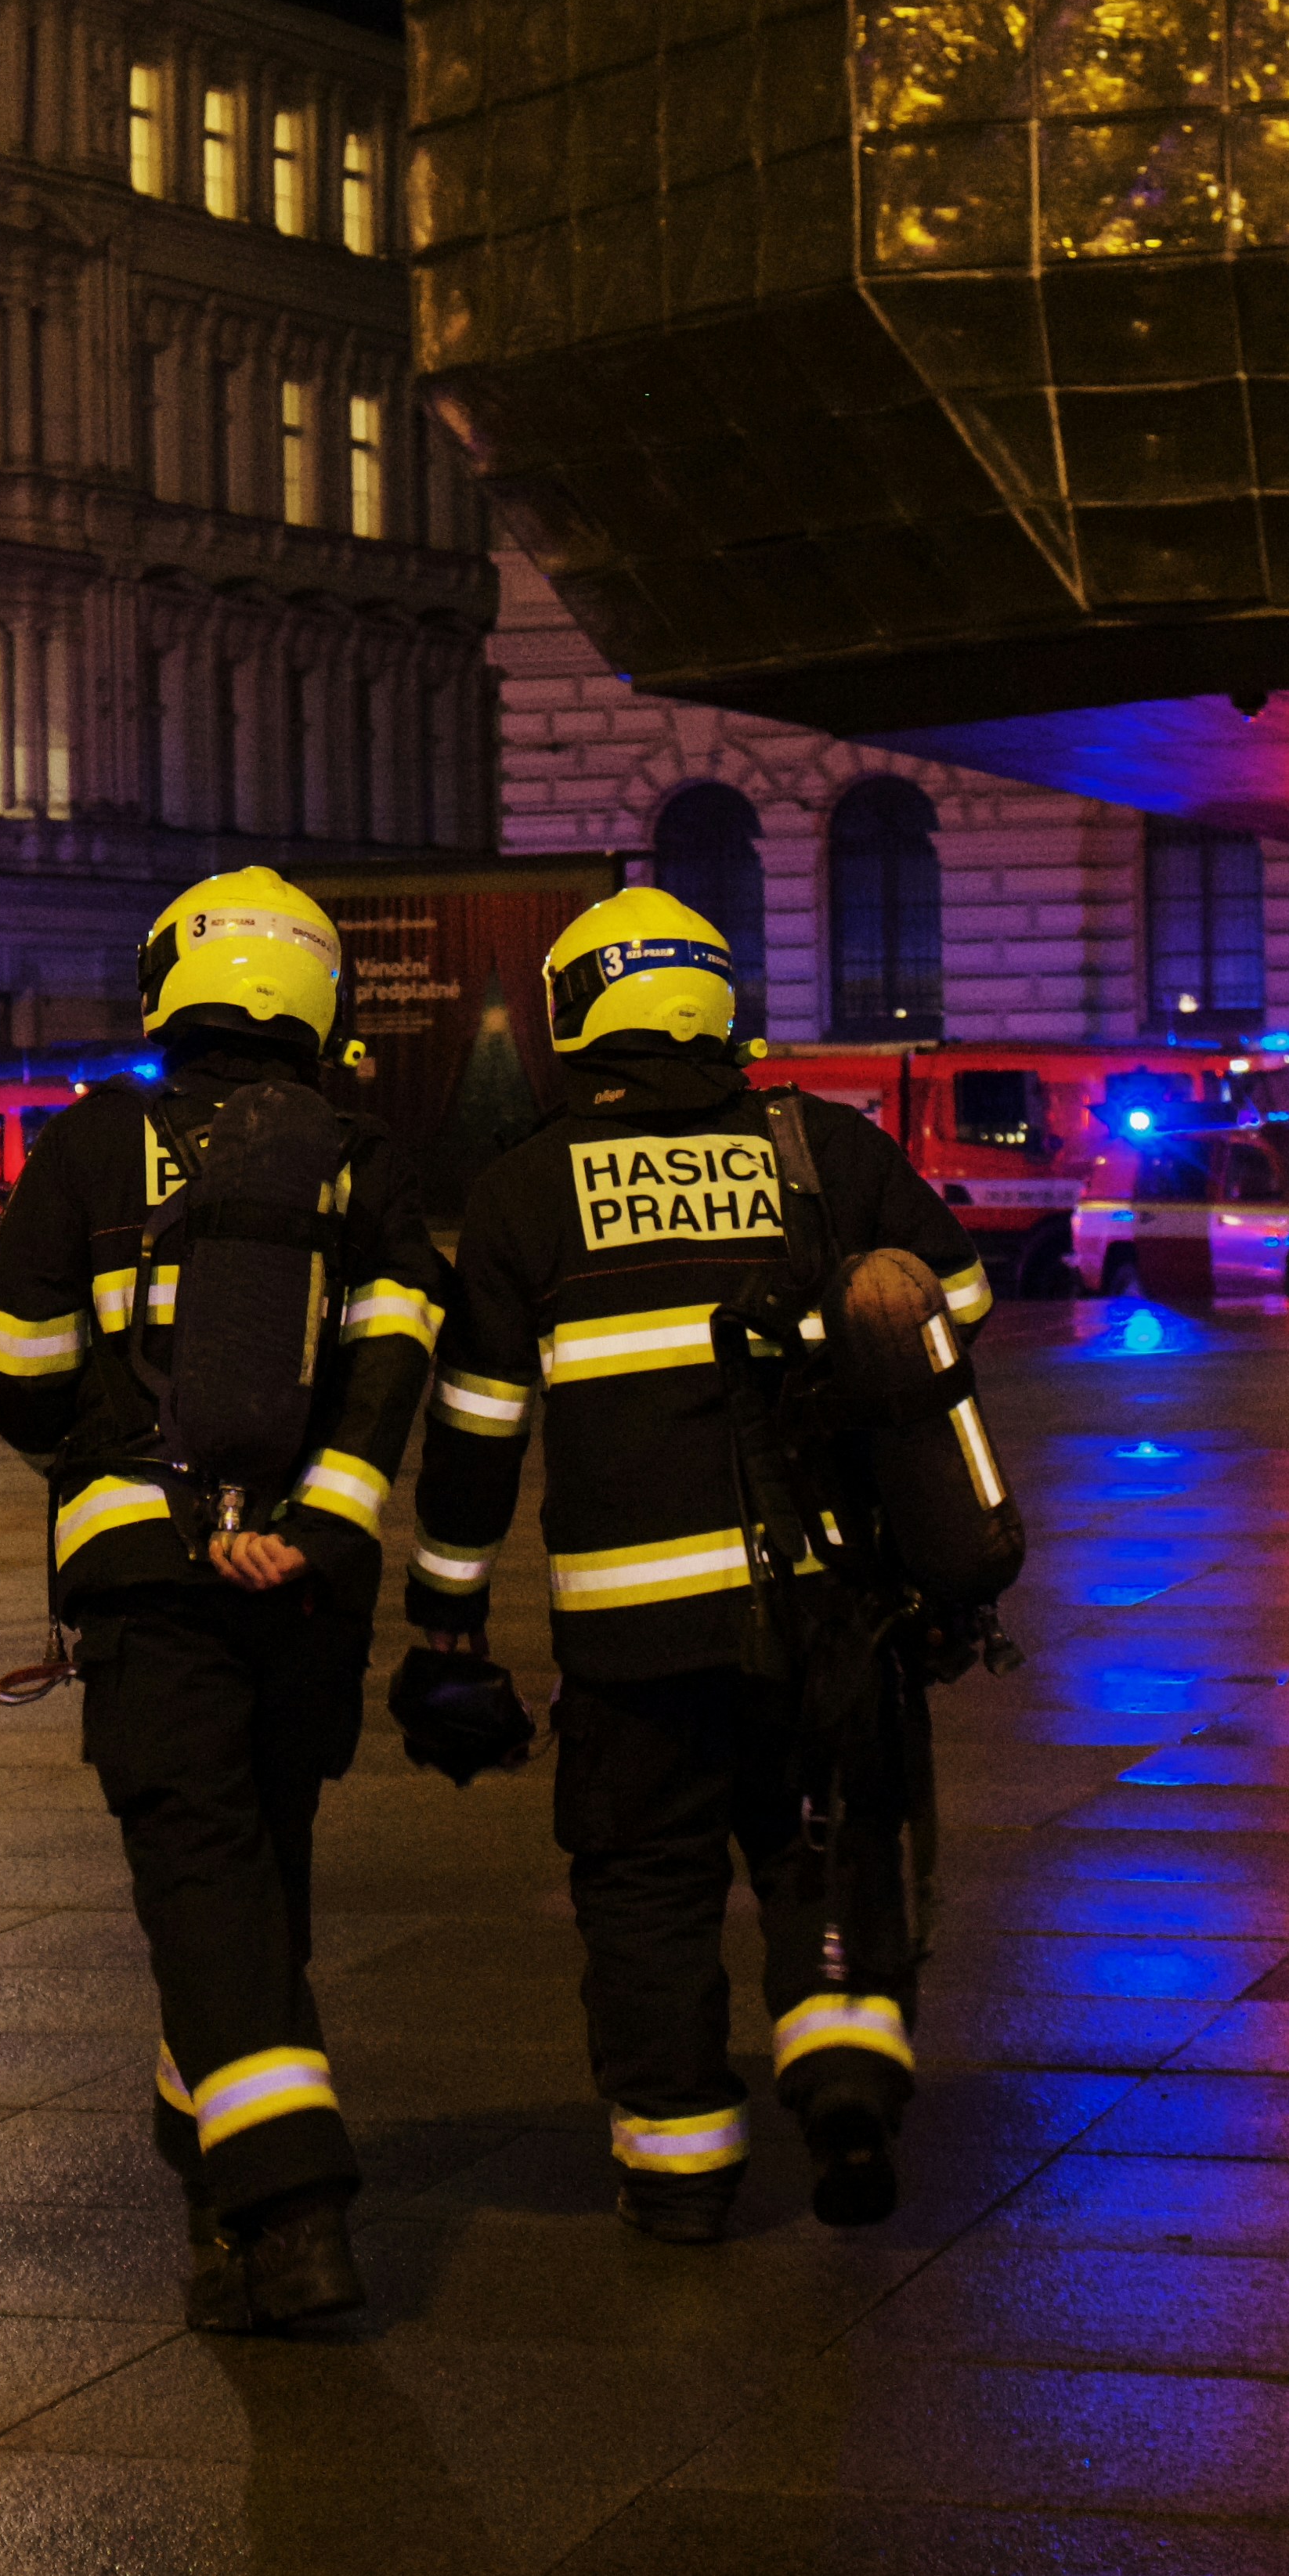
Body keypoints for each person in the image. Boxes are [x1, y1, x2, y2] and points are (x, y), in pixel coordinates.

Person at [410, 887, 1002, 2245]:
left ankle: (680, 2171)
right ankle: (845, 2072)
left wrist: (444, 1617)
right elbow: (954, 1307)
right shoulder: (826, 1149)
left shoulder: (524, 1189)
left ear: (576, 1021)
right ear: (717, 1005)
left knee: (648, 1883)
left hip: (634, 1643)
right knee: (827, 1844)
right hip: (827, 1603)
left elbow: (480, 1429)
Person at [0, 868, 443, 2333]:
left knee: (203, 1870)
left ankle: (290, 2209)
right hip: (304, 1579)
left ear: (171, 980)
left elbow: (22, 1364)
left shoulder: (100, 1143)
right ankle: (205, 2155)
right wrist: (313, 1527)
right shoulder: (361, 1155)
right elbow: (395, 1356)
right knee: (258, 1870)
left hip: (151, 1578)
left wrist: (105, 1466)